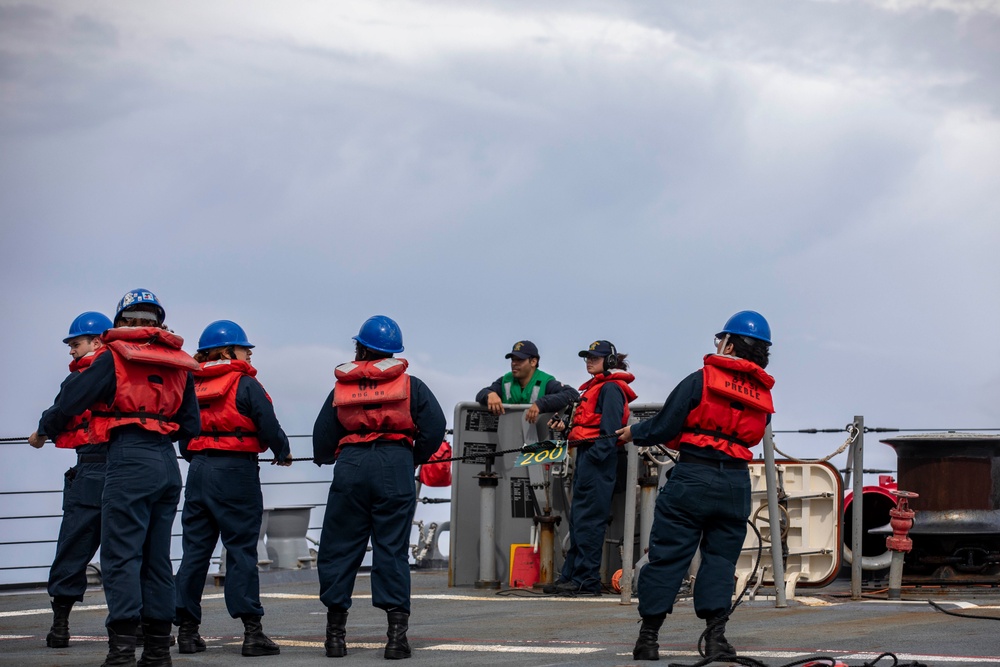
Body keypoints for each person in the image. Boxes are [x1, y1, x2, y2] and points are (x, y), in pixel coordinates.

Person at [51, 288, 201, 667]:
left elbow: (70, 402)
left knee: (121, 558)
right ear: (159, 323)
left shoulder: (112, 356)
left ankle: (120, 653)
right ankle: (155, 652)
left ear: (119, 323)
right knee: (157, 561)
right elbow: (192, 424)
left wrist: (44, 430)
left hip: (127, 458)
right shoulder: (179, 363)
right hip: (166, 464)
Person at [617, 311, 775, 661]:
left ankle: (649, 639)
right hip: (735, 483)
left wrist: (634, 432)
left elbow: (664, 425)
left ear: (730, 343)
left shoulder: (702, 379)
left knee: (668, 556)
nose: (717, 344)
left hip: (693, 478)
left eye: (721, 339)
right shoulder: (762, 394)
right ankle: (716, 639)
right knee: (720, 562)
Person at [313, 315, 446, 660]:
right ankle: (396, 640)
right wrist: (411, 456)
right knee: (391, 549)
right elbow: (435, 426)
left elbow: (323, 437)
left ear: (360, 349)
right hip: (395, 463)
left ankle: (335, 637)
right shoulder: (411, 386)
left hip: (351, 467)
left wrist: (328, 457)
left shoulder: (342, 389)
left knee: (340, 548)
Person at [173, 320, 293, 658]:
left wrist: (197, 456)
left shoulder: (189, 383)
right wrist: (282, 451)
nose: (249, 352)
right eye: (244, 347)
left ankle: (186, 631)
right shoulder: (244, 383)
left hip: (198, 471)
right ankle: (252, 633)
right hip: (236, 472)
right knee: (241, 551)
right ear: (227, 351)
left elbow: (183, 431)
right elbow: (267, 423)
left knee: (195, 552)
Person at [29, 311, 113, 649]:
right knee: (127, 550)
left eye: (75, 343)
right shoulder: (129, 373)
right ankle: (136, 626)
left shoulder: (84, 376)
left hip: (90, 468)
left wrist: (41, 432)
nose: (71, 351)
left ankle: (60, 625)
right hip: (129, 469)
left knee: (74, 546)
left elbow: (61, 410)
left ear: (96, 342)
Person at [546, 340, 637, 596]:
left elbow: (608, 434)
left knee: (590, 522)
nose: (589, 360)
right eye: (587, 356)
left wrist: (593, 459)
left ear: (609, 361)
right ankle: (572, 576)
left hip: (597, 461)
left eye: (595, 357)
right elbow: (591, 428)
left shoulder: (609, 390)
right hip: (588, 457)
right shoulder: (597, 388)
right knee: (579, 521)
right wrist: (567, 430)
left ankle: (586, 580)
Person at [475, 340, 579, 424]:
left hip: (538, 444)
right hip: (508, 442)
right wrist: (489, 394)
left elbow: (572, 394)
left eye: (519, 360)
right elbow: (480, 394)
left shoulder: (545, 381)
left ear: (533, 361)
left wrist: (541, 404)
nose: (514, 363)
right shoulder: (505, 380)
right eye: (512, 360)